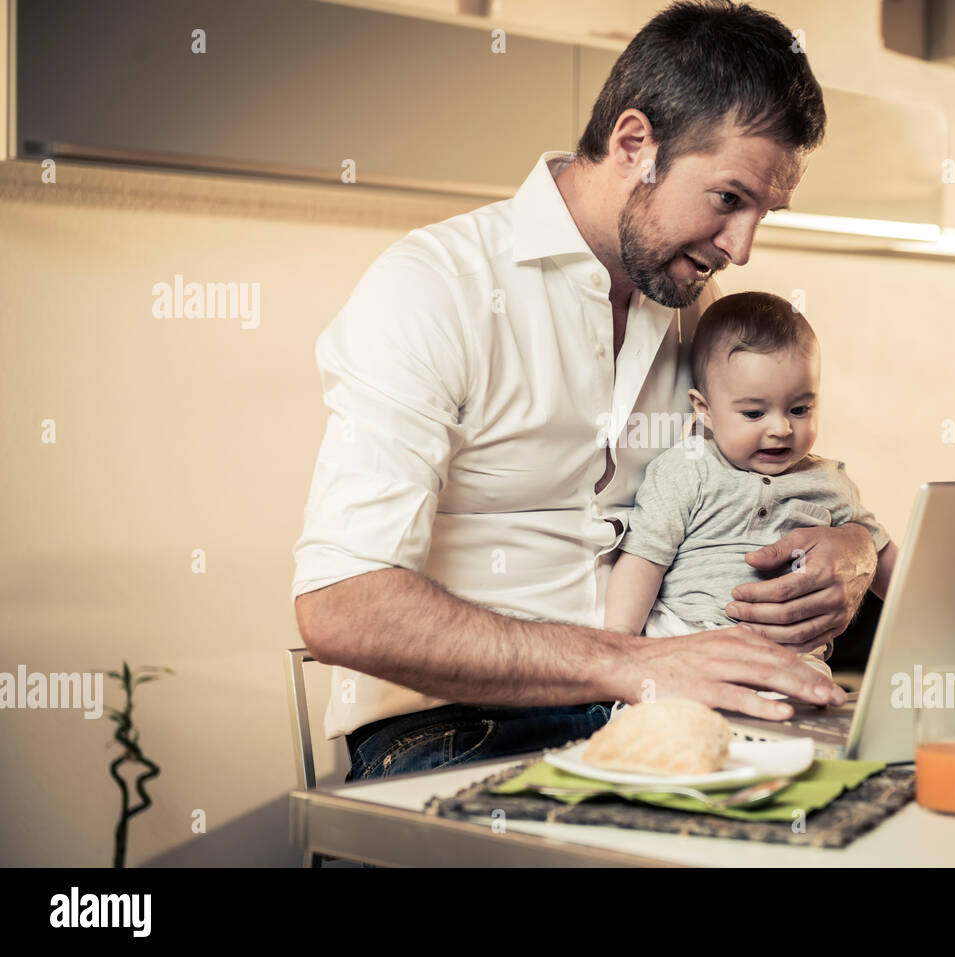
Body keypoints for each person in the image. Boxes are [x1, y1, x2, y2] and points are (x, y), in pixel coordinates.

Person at [292, 0, 897, 783]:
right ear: (634, 143)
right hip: (456, 730)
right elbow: (342, 602)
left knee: (882, 804)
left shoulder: (686, 305)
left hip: (658, 712)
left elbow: (755, 475)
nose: (742, 249)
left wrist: (851, 550)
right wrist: (633, 663)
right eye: (728, 199)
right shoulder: (433, 288)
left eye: (762, 213)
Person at [603, 292, 896, 684]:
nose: (781, 428)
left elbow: (884, 559)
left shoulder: (829, 484)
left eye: (800, 409)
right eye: (754, 413)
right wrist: (618, 649)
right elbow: (644, 561)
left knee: (811, 712)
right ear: (704, 409)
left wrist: (936, 623)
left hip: (790, 657)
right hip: (686, 641)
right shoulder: (686, 470)